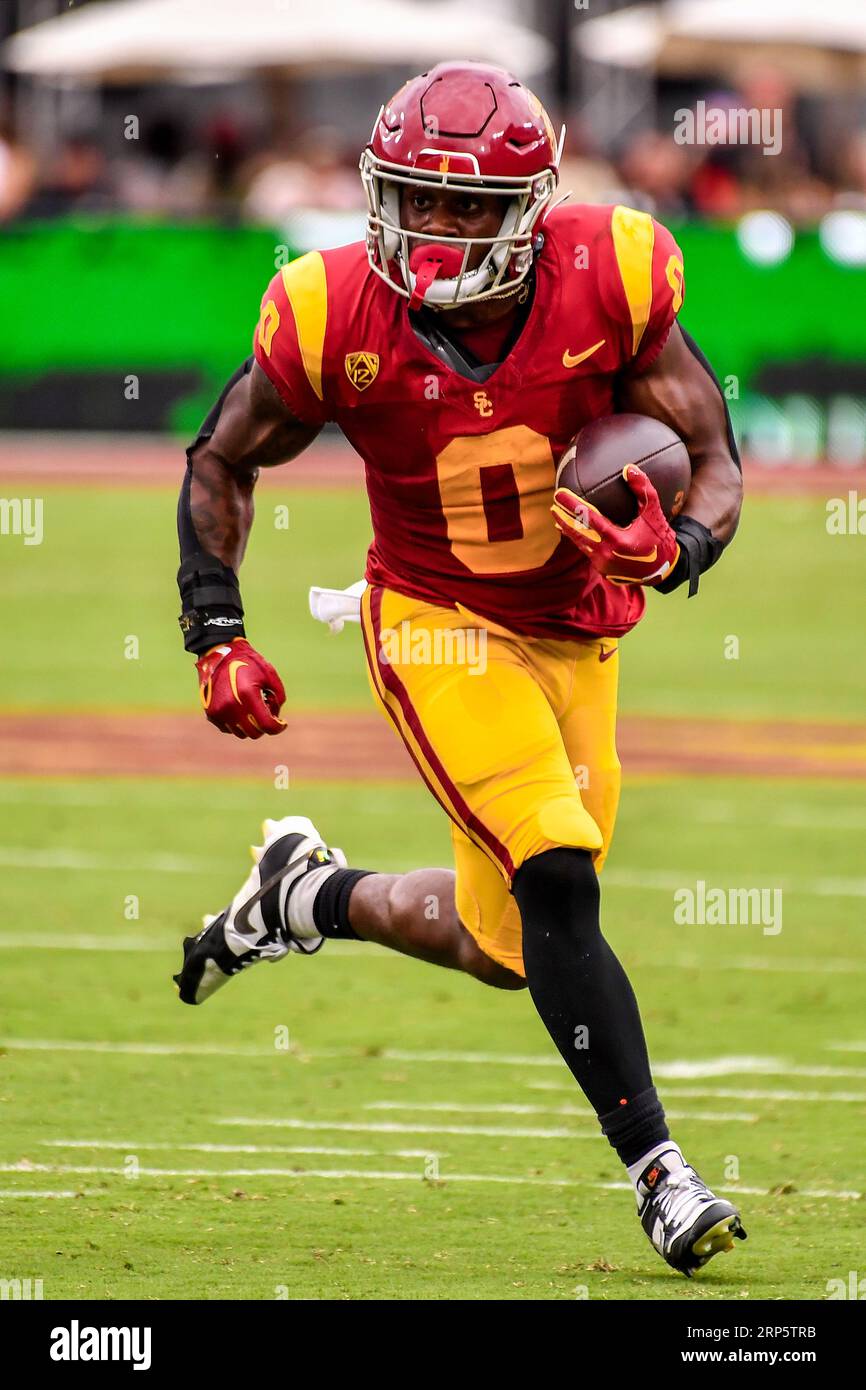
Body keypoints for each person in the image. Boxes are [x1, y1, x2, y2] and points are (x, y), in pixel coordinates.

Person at [172, 61, 745, 1278]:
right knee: (558, 871)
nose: (431, 229)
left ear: (527, 209)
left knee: (508, 947)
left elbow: (710, 450)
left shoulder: (613, 273)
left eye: (463, 206)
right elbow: (222, 459)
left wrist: (679, 542)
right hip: (434, 622)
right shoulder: (331, 311)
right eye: (412, 200)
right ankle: (659, 1172)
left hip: (576, 626)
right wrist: (215, 627)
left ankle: (303, 894)